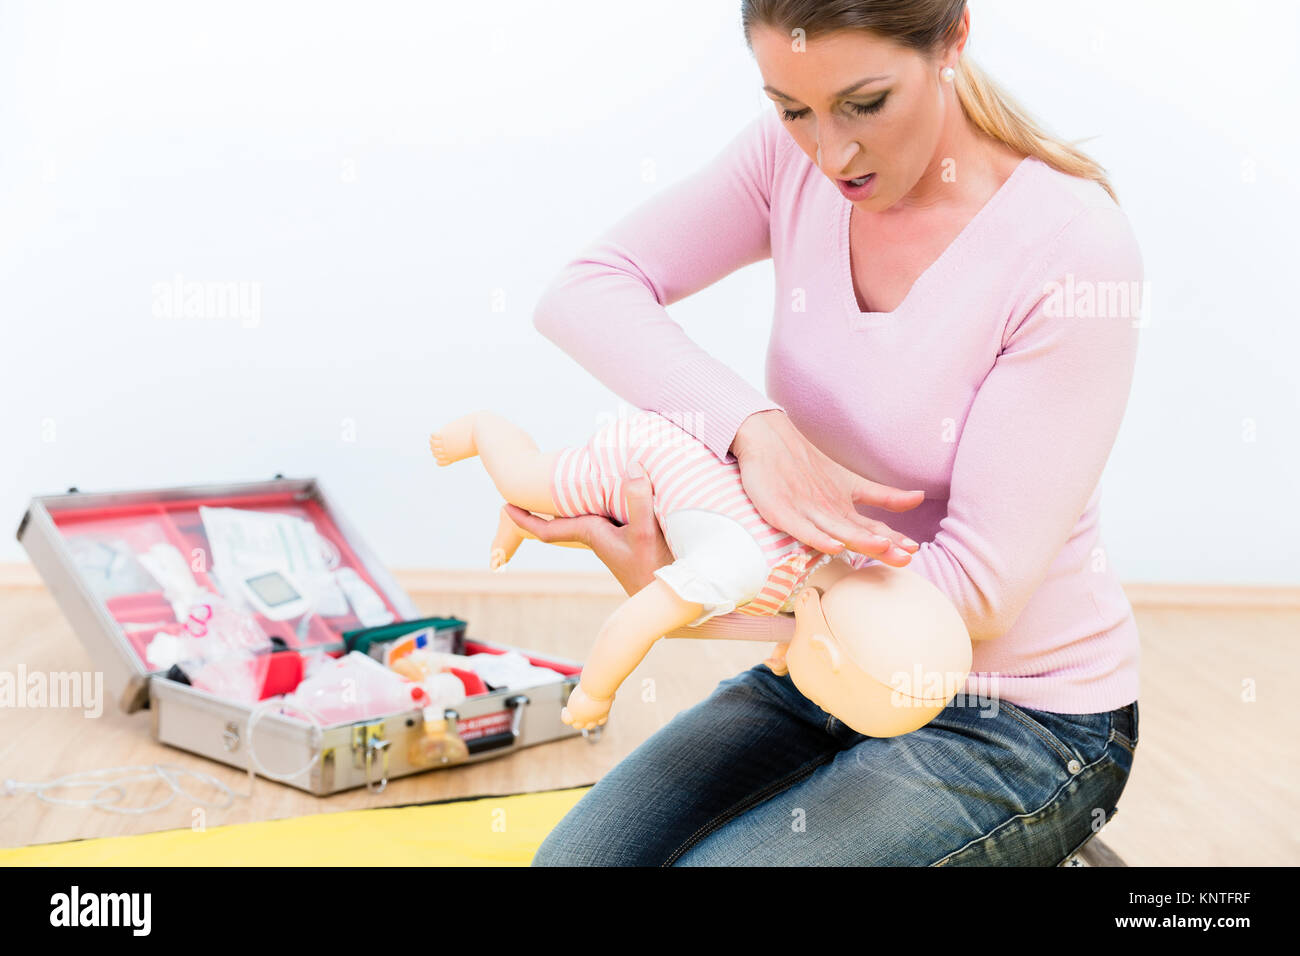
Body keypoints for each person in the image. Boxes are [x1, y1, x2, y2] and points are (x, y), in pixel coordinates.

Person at [519, 0, 1141, 865]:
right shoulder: (788, 162)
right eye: (793, 107)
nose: (830, 152)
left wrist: (701, 596)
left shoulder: (1072, 248)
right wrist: (751, 429)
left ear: (953, 36)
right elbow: (587, 290)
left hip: (1013, 714)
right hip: (822, 678)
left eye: (867, 103)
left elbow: (979, 591)